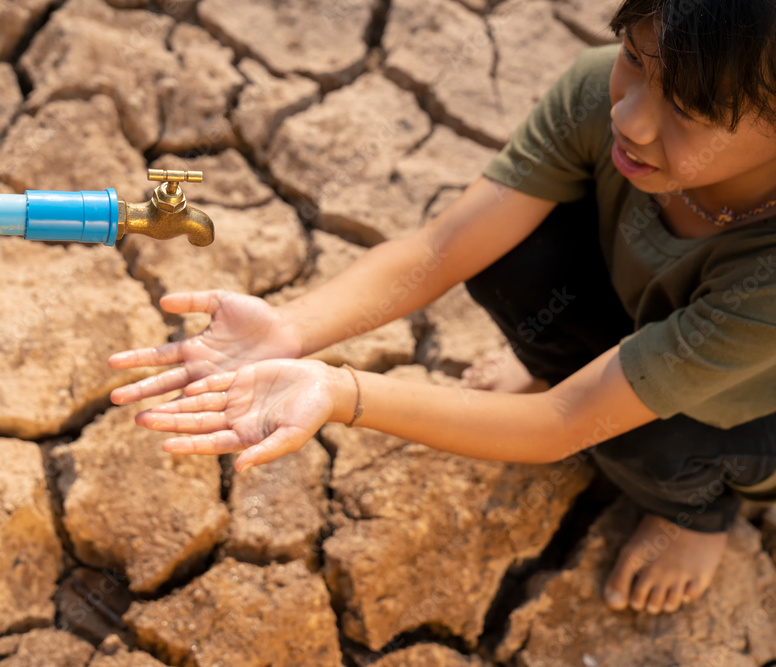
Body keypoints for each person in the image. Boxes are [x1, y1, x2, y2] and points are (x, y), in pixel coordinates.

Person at [108, 0, 776, 617]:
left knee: (644, 437)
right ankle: (577, 359)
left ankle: (693, 515)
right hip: (653, 323)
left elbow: (561, 421)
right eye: (633, 54)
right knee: (508, 255)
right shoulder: (601, 97)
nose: (629, 115)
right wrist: (291, 328)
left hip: (739, 417)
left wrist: (340, 392)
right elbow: (441, 248)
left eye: (687, 108)